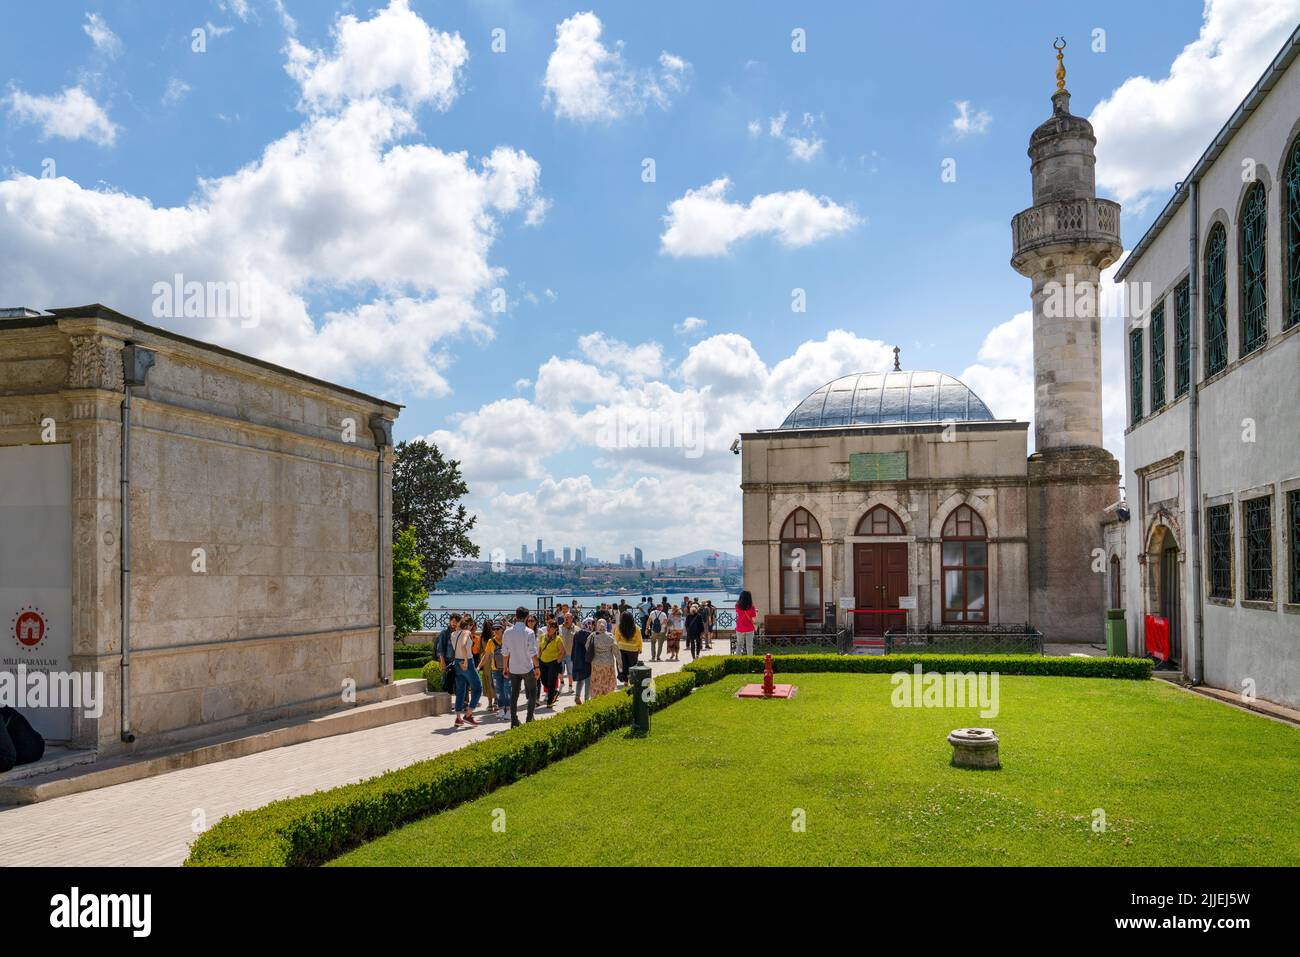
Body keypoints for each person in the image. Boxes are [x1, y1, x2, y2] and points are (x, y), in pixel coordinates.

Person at [502, 607, 540, 727]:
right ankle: (529, 719)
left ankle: (514, 721)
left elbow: (505, 652)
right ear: (527, 617)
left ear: (516, 616)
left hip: (513, 667)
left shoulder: (507, 632)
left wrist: (505, 667)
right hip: (527, 667)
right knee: (533, 692)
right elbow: (532, 652)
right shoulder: (529, 632)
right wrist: (537, 667)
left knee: (514, 694)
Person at [451, 617, 482, 727]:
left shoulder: (453, 634)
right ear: (470, 625)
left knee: (460, 691)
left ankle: (458, 718)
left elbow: (457, 647)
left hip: (457, 662)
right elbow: (463, 645)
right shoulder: (467, 632)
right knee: (478, 688)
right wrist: (465, 661)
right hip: (466, 661)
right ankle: (468, 715)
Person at [586, 618, 618, 698]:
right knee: (607, 683)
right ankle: (607, 698)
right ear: (606, 626)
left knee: (597, 682)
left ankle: (596, 697)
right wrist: (620, 663)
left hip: (596, 663)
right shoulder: (610, 637)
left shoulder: (592, 636)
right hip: (608, 664)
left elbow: (587, 647)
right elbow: (616, 651)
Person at [538, 620, 565, 707]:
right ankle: (554, 692)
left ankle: (550, 702)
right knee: (543, 680)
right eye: (548, 627)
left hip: (553, 662)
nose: (549, 629)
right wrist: (539, 658)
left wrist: (558, 661)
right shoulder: (542, 636)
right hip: (542, 661)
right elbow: (540, 648)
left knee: (551, 681)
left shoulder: (558, 639)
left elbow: (562, 651)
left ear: (555, 629)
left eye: (551, 627)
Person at [613, 610, 642, 685]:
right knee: (632, 665)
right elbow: (639, 640)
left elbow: (616, 638)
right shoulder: (636, 628)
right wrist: (640, 648)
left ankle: (625, 681)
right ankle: (632, 680)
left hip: (621, 648)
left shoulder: (619, 627)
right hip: (633, 649)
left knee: (623, 665)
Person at [436, 612, 461, 695]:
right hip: (448, 662)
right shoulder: (444, 633)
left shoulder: (460, 633)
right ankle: (448, 704)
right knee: (447, 685)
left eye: (456, 621)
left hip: (458, 662)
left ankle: (458, 704)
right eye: (453, 621)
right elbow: (440, 650)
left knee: (458, 684)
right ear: (450, 622)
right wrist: (442, 663)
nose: (454, 623)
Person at [571, 618, 593, 704]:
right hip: (586, 660)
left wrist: (573, 658)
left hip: (577, 659)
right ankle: (586, 699)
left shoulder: (577, 634)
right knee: (588, 680)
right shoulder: (590, 635)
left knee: (580, 679)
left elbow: (573, 647)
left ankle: (577, 696)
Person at [559, 612, 578, 694]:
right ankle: (562, 683)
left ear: (572, 618)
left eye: (568, 618)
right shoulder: (559, 628)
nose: (566, 619)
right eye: (565, 618)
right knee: (560, 671)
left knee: (570, 672)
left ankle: (570, 687)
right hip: (560, 654)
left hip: (571, 654)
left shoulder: (576, 628)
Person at [735, 590, 757, 655]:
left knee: (739, 645)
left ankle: (737, 660)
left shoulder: (737, 605)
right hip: (749, 628)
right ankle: (750, 660)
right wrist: (756, 612)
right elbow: (754, 619)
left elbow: (738, 613)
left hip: (740, 628)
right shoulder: (752, 607)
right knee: (749, 646)